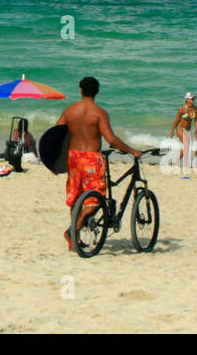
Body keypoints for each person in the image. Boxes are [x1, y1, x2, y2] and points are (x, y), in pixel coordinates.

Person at [55, 77, 142, 252]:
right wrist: (131, 151)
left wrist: (54, 162)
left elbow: (56, 136)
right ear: (97, 91)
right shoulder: (99, 113)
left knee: (76, 198)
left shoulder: (69, 111)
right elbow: (111, 139)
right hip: (91, 160)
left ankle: (75, 238)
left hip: (73, 158)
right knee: (95, 200)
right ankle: (72, 232)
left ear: (80, 90)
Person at [170, 93, 197, 174]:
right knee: (186, 145)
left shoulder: (195, 109)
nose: (192, 99)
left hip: (188, 130)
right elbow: (176, 120)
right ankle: (185, 164)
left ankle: (176, 162)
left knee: (186, 146)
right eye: (191, 98)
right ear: (186, 99)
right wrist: (172, 131)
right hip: (180, 128)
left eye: (193, 98)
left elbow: (196, 121)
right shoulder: (182, 109)